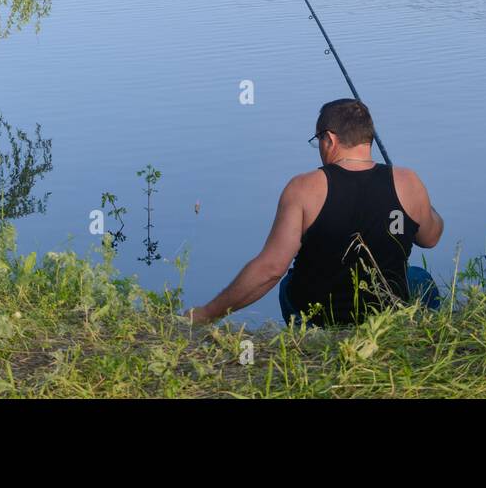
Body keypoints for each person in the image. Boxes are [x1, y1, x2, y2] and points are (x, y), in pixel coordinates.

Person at [183, 98, 443, 327]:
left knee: (288, 283)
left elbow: (272, 268)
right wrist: (420, 201)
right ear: (368, 138)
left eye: (318, 140)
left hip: (318, 318)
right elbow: (431, 237)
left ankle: (310, 336)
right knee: (420, 278)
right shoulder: (409, 181)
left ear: (329, 139)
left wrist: (207, 313)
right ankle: (412, 330)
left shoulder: (303, 189)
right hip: (387, 315)